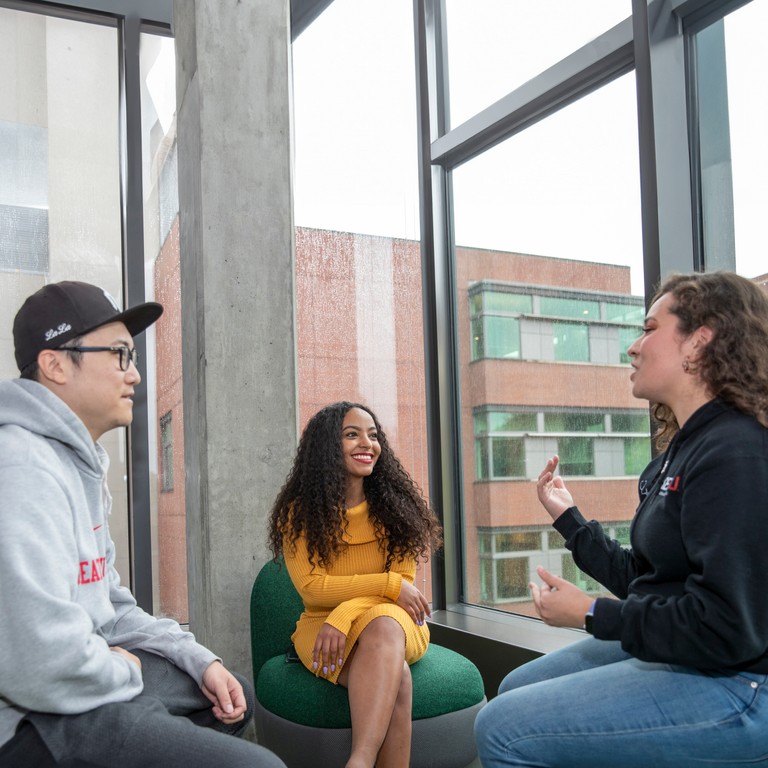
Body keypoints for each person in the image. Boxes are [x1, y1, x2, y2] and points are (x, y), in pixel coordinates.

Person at [474, 271, 768, 768]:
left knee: (500, 728)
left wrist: (592, 613)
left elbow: (727, 628)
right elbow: (648, 581)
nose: (633, 347)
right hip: (694, 656)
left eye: (649, 329)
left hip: (743, 685)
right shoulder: (682, 451)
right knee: (514, 686)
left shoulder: (736, 451)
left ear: (699, 341)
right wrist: (569, 520)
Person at [0, 280, 285, 768]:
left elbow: (110, 606)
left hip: (78, 667)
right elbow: (38, 663)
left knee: (228, 692)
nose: (134, 375)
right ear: (55, 364)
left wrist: (199, 659)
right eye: (119, 355)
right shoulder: (23, 467)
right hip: (28, 718)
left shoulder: (79, 464)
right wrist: (123, 672)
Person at [268, 401, 443, 768]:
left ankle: (360, 761)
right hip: (322, 626)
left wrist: (345, 612)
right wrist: (387, 585)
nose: (367, 444)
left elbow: (401, 599)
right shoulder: (298, 514)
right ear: (327, 448)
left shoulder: (398, 510)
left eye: (373, 435)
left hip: (394, 623)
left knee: (385, 626)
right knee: (398, 679)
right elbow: (313, 588)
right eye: (352, 435)